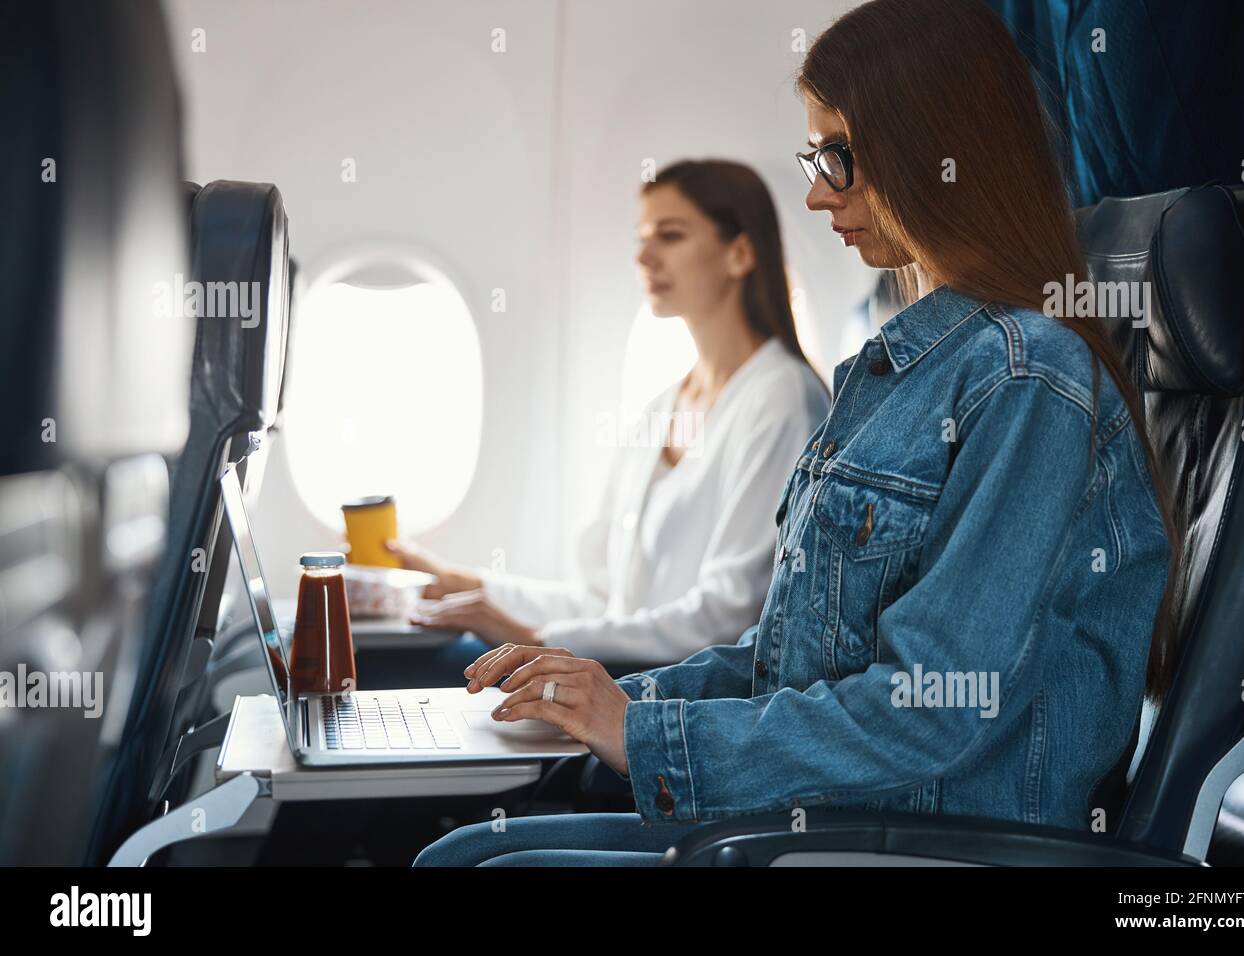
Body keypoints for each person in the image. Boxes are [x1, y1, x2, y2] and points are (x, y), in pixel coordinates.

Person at [412, 0, 1182, 866]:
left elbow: (931, 709)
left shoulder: (1024, 380)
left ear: (933, 150)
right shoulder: (891, 374)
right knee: (472, 851)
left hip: (928, 840)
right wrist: (604, 697)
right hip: (834, 815)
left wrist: (650, 736)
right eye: (816, 158)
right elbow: (796, 655)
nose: (817, 193)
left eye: (839, 157)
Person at [387, 160, 829, 681]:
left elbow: (727, 615)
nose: (643, 256)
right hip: (617, 670)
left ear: (740, 252)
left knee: (427, 669)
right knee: (403, 652)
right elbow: (599, 598)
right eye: (642, 238)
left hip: (687, 688)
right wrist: (470, 586)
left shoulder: (782, 399)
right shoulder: (664, 404)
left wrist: (535, 642)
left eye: (670, 235)